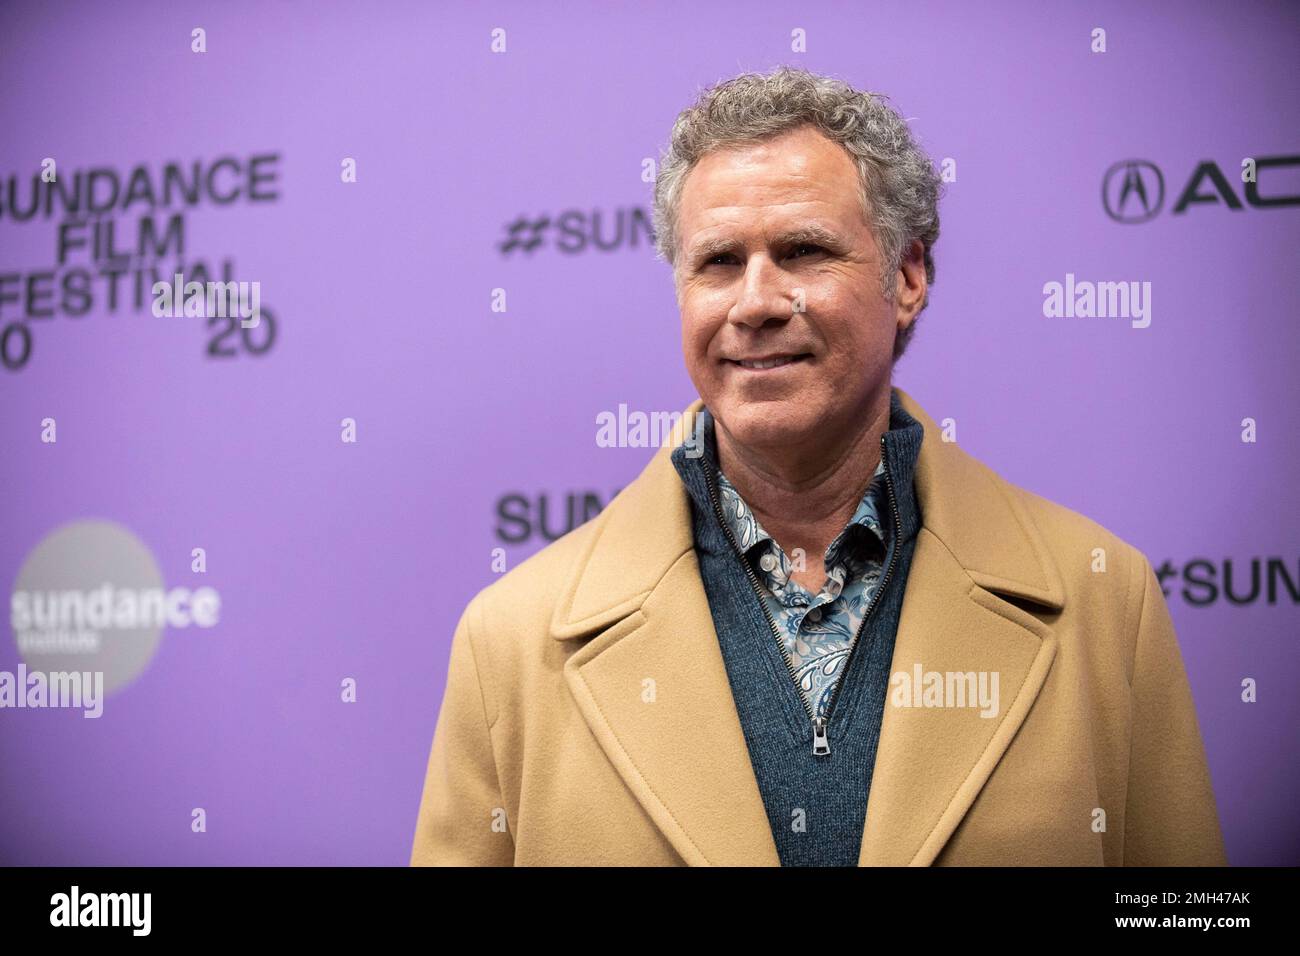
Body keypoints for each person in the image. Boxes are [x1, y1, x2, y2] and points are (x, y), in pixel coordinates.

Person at [410, 66, 1226, 866]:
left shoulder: (1101, 597)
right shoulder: (510, 641)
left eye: (802, 251)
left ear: (906, 278)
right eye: (718, 262)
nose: (757, 302)